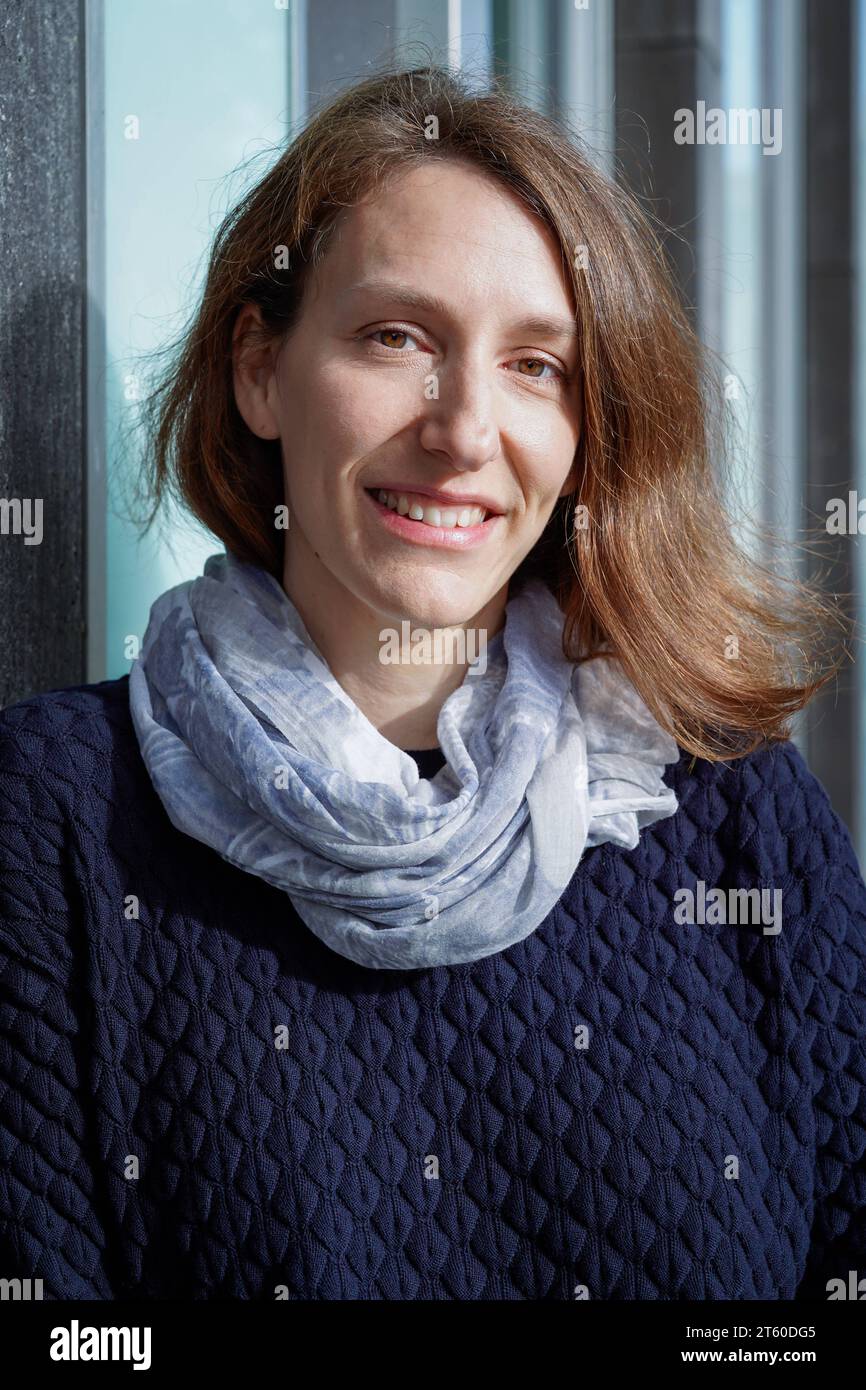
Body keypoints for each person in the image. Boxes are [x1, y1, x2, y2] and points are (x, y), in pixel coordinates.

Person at [1, 64, 864, 1301]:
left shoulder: (731, 809)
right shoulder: (58, 817)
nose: (463, 428)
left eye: (535, 365)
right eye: (395, 336)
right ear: (259, 370)